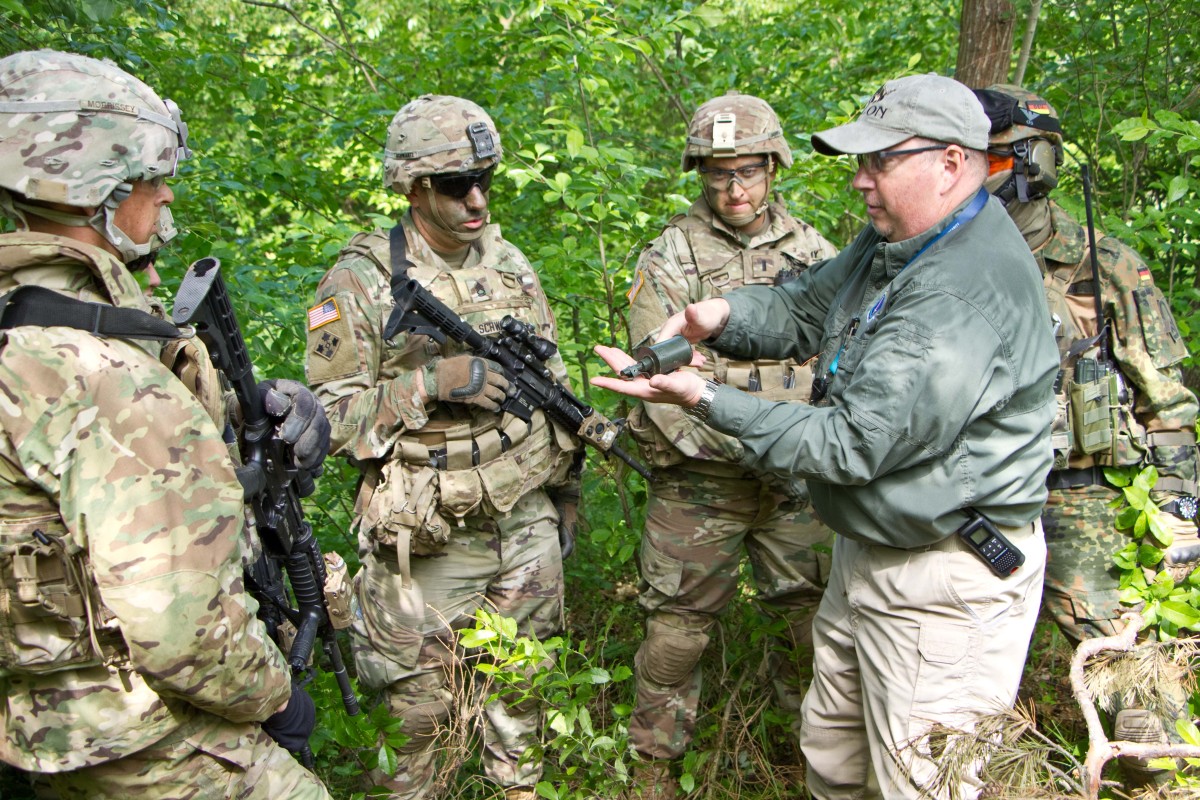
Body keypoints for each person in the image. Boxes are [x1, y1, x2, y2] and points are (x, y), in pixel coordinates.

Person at [592, 74, 1060, 800]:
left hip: (939, 576)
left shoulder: (955, 289)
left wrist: (706, 394)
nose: (860, 182)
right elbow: (809, 306)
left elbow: (848, 444)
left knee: (927, 782)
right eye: (858, 161)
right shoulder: (903, 241)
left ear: (950, 162)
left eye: (879, 162)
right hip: (870, 546)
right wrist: (719, 315)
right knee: (838, 758)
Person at [0, 50, 332, 799]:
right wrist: (278, 697)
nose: (167, 203)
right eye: (154, 184)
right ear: (101, 192)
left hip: (33, 725)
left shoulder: (32, 329)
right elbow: (182, 632)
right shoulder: (103, 375)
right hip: (138, 736)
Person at [305, 94, 582, 800]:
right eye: (458, 185)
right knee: (416, 716)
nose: (478, 200)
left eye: (487, 178)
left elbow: (553, 383)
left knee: (523, 692)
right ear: (414, 186)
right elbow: (329, 422)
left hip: (523, 517)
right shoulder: (360, 278)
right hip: (426, 535)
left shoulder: (512, 263)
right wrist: (432, 383)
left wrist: (565, 494)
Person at [975, 84, 1200, 788]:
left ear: (1033, 161)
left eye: (993, 162)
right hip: (969, 502)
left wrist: (1177, 510)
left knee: (1134, 689)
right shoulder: (936, 263)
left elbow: (1168, 405)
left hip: (1084, 497)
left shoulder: (1106, 266)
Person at [622, 91, 837, 794]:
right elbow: (657, 377)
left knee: (807, 628)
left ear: (774, 168)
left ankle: (793, 766)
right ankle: (653, 777)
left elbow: (840, 366)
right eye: (718, 174)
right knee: (675, 640)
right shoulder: (670, 256)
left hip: (797, 484)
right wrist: (759, 416)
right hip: (700, 483)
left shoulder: (815, 253)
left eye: (747, 170)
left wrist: (730, 386)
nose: (734, 188)